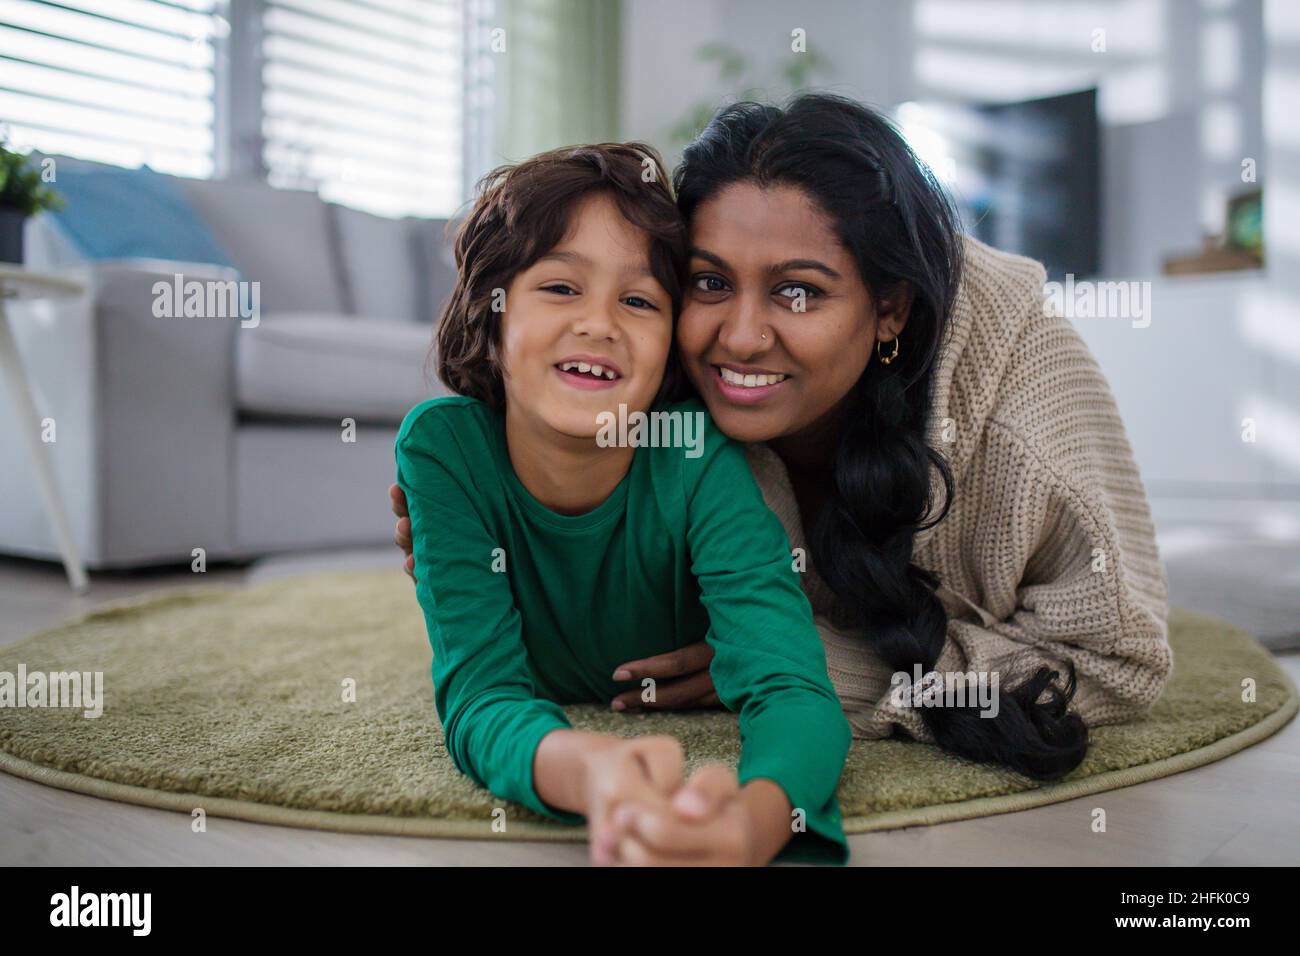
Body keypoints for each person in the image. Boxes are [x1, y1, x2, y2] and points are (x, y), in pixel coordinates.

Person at [395, 141, 852, 866]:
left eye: (638, 301)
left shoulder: (695, 457)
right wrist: (592, 772)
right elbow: (482, 699)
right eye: (560, 288)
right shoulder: (442, 450)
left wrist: (754, 824)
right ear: (493, 316)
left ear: (670, 347)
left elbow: (793, 690)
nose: (600, 323)